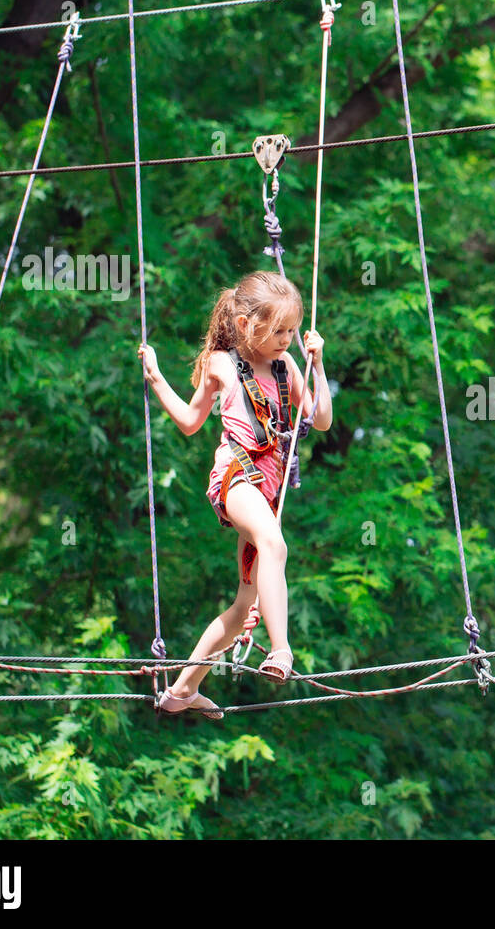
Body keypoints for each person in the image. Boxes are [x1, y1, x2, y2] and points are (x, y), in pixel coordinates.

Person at [136, 270, 332, 718]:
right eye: (278, 330)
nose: (286, 339)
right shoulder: (222, 363)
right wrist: (157, 378)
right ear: (246, 325)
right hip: (235, 478)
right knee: (273, 543)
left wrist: (317, 364)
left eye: (291, 331)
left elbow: (320, 420)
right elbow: (190, 422)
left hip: (267, 487)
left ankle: (183, 690)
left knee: (244, 603)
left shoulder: (287, 365)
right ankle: (281, 649)